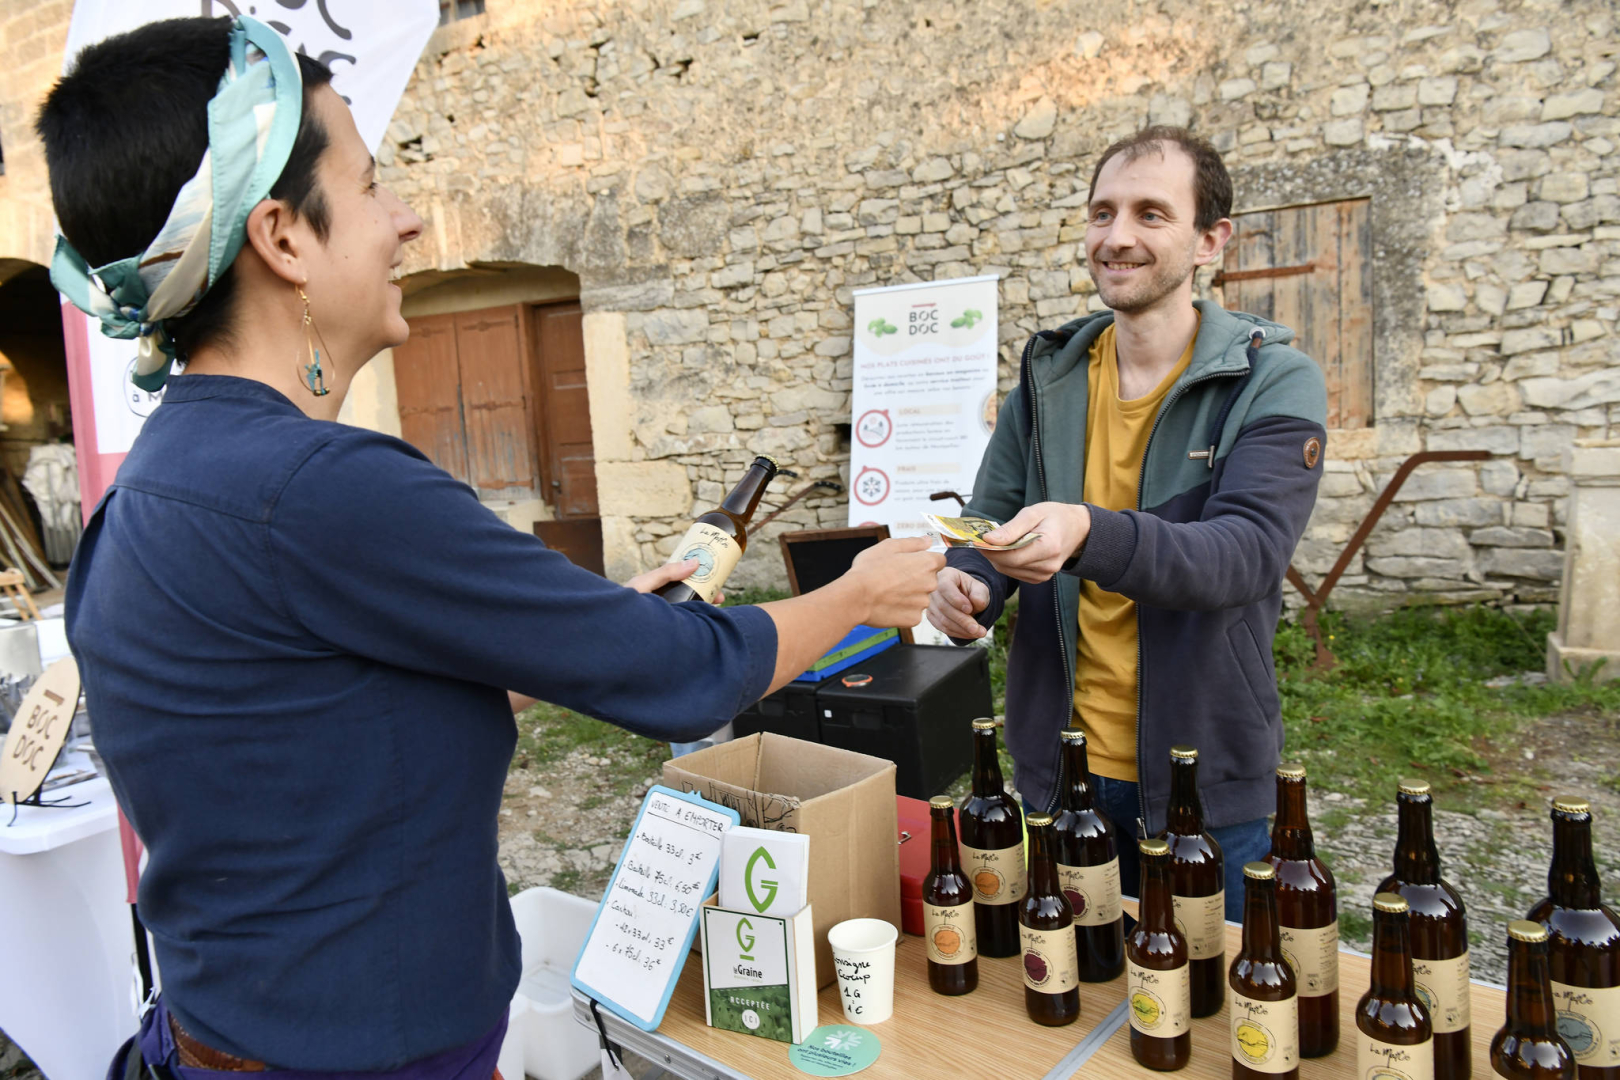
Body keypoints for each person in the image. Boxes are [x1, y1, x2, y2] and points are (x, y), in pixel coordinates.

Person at [43, 16, 943, 1075]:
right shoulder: (321, 488)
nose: (409, 221)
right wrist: (860, 593)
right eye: (373, 186)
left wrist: (565, 636)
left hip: (223, 1034)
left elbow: (298, 730)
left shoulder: (145, 491)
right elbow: (686, 675)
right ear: (284, 236)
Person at [926, 126, 1327, 919]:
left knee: (1217, 1015)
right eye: (1102, 212)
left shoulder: (1273, 381)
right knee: (1067, 998)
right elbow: (989, 521)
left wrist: (1086, 531)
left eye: (1151, 214)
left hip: (1205, 775)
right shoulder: (1048, 379)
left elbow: (1243, 556)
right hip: (1060, 767)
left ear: (1211, 241)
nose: (1117, 237)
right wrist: (967, 584)